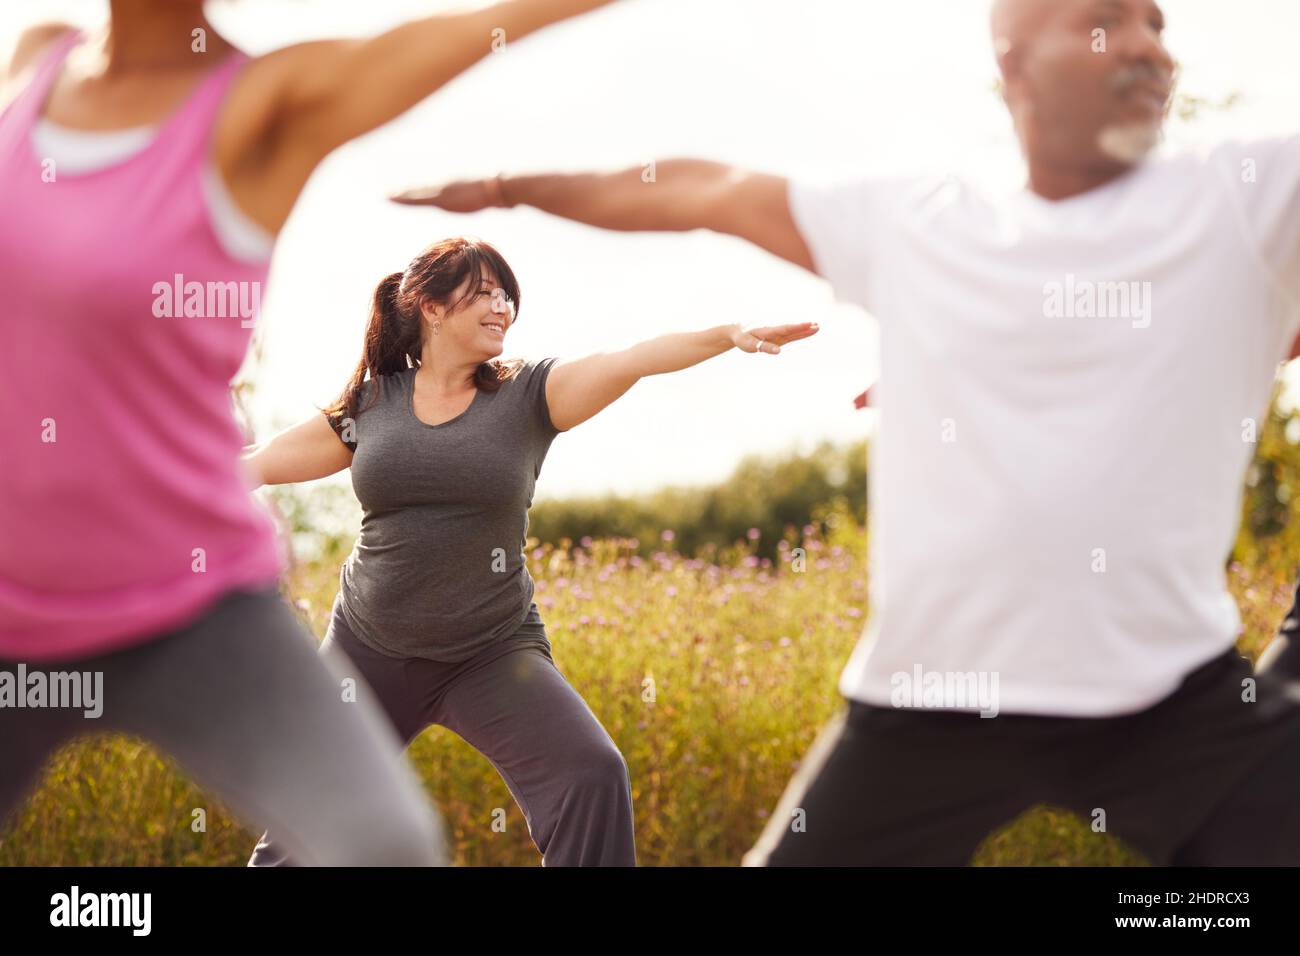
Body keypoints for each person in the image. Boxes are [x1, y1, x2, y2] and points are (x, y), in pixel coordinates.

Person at [393, 0, 1300, 865]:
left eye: (1159, 23)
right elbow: (708, 188)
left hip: (1173, 698)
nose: (1148, 45)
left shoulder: (1243, 201)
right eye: (1106, 23)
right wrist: (510, 189)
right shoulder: (918, 222)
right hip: (929, 705)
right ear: (1013, 61)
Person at [0, 0, 617, 866]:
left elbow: (478, 27)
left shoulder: (263, 102)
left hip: (190, 603)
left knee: (381, 847)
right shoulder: (32, 62)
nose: (498, 310)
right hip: (11, 596)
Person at [240, 236, 818, 865]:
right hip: (369, 648)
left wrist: (728, 332)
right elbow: (256, 465)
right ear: (430, 308)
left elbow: (632, 358)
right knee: (304, 821)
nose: (502, 307)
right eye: (483, 291)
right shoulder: (373, 405)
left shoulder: (528, 396)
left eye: (506, 295)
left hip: (490, 651)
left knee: (590, 774)